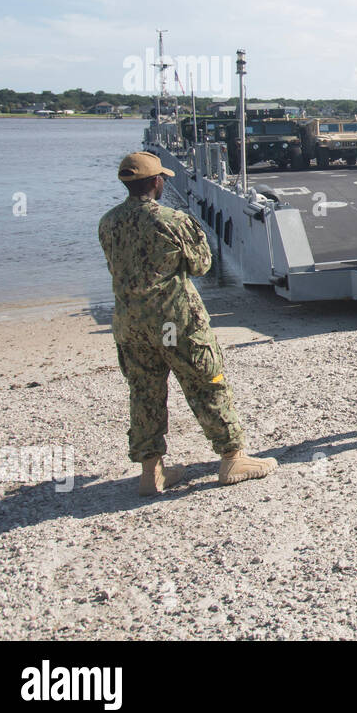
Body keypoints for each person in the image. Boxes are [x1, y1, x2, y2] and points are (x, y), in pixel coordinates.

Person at [98, 151, 278, 495]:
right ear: (155, 182)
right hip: (175, 322)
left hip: (130, 324)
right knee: (208, 384)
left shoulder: (107, 222)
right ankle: (232, 457)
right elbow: (201, 265)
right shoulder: (171, 220)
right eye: (161, 178)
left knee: (145, 393)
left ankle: (151, 472)